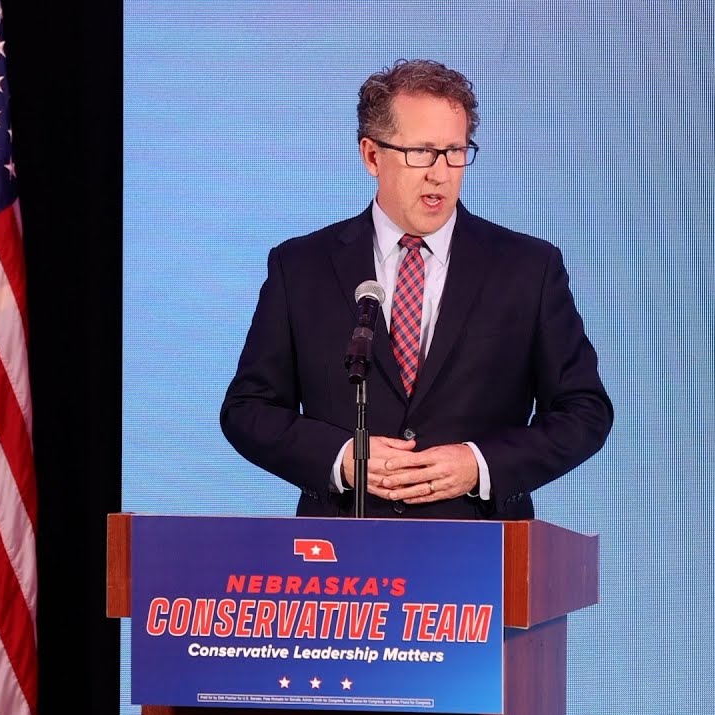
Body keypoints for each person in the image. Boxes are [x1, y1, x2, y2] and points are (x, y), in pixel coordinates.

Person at [220, 58, 613, 520]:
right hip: (343, 555)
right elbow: (249, 409)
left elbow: (584, 411)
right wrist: (342, 458)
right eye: (421, 152)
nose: (441, 173)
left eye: (455, 151)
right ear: (371, 155)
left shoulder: (527, 267)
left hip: (481, 551)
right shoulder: (301, 266)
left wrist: (480, 464)